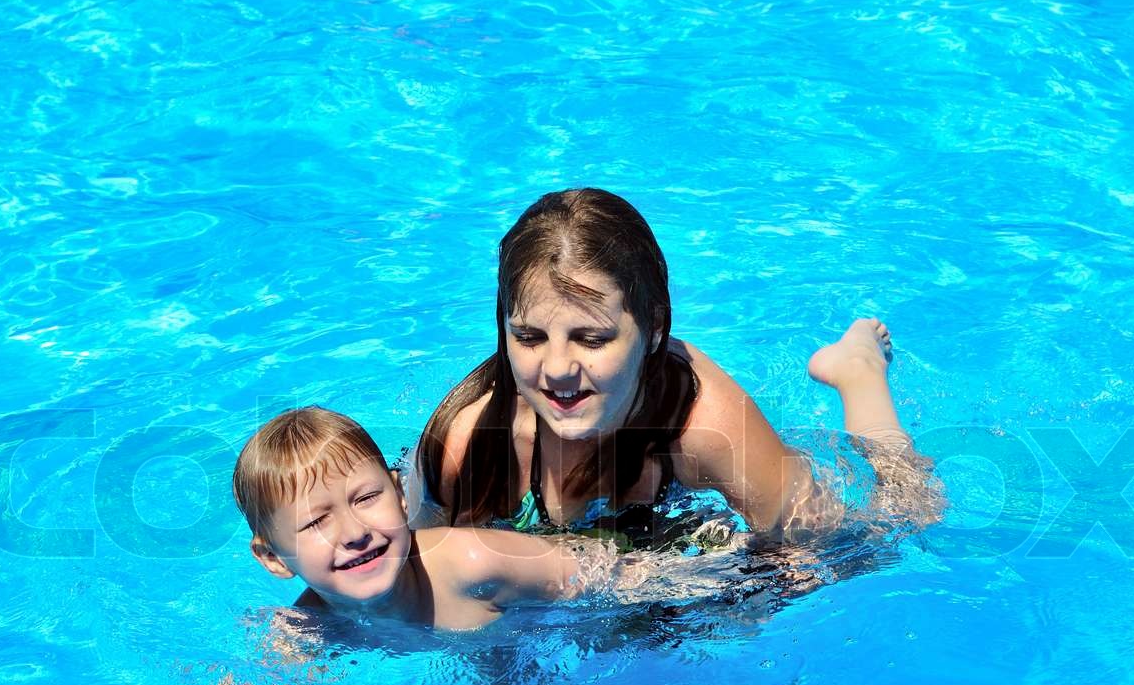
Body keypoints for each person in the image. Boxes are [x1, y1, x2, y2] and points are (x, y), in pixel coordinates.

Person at [413, 187, 935, 544]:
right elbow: (409, 577)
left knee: (902, 516)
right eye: (528, 337)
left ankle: (858, 370)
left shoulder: (705, 428)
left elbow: (816, 556)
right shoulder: (470, 440)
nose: (556, 370)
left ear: (655, 328)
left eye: (591, 339)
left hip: (722, 481)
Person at [231, 406, 700, 632]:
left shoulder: (472, 561)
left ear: (398, 493)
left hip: (612, 541)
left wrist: (734, 576)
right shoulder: (306, 627)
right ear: (272, 557)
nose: (354, 533)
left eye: (367, 497)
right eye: (316, 523)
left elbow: (618, 574)